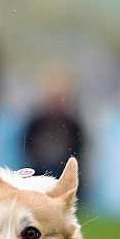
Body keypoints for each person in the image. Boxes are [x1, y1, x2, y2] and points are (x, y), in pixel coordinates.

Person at [24, 67, 86, 200]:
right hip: (40, 170)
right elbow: (28, 147)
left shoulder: (72, 124)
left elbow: (79, 149)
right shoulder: (36, 122)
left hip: (64, 169)